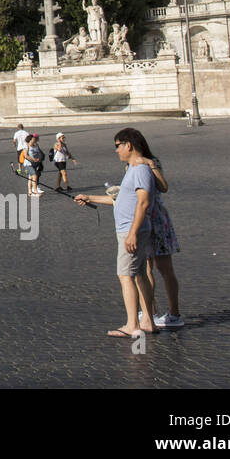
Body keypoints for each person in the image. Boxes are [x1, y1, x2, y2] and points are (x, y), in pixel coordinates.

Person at [74, 128, 157, 338]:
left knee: (125, 275)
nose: (116, 151)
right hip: (133, 228)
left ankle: (133, 325)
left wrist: (132, 233)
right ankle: (148, 320)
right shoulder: (133, 169)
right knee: (138, 275)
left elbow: (144, 202)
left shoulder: (138, 170)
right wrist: (90, 198)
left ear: (128, 145)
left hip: (131, 230)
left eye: (117, 146)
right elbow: (119, 200)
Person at [142, 150, 183, 329]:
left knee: (164, 268)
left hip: (154, 219)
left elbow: (163, 187)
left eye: (119, 145)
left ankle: (174, 314)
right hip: (145, 217)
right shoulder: (131, 164)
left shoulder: (150, 162)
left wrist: (151, 166)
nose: (117, 150)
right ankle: (150, 311)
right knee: (146, 268)